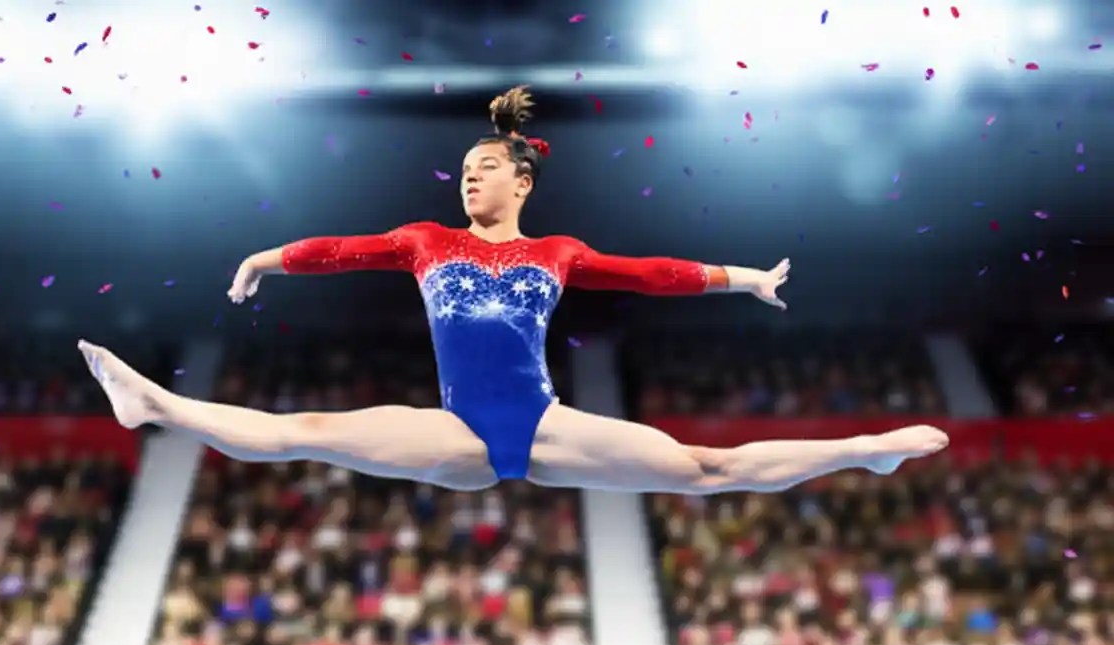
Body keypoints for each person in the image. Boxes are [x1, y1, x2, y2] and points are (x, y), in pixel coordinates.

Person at [78, 86, 947, 493]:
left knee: (706, 469)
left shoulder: (559, 252)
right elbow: (344, 249)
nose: (469, 179)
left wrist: (745, 277)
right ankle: (155, 406)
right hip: (455, 430)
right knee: (303, 433)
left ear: (521, 181)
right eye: (463, 169)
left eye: (484, 167)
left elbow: (648, 276)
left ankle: (861, 448)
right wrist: (265, 257)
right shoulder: (424, 242)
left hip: (543, 423)